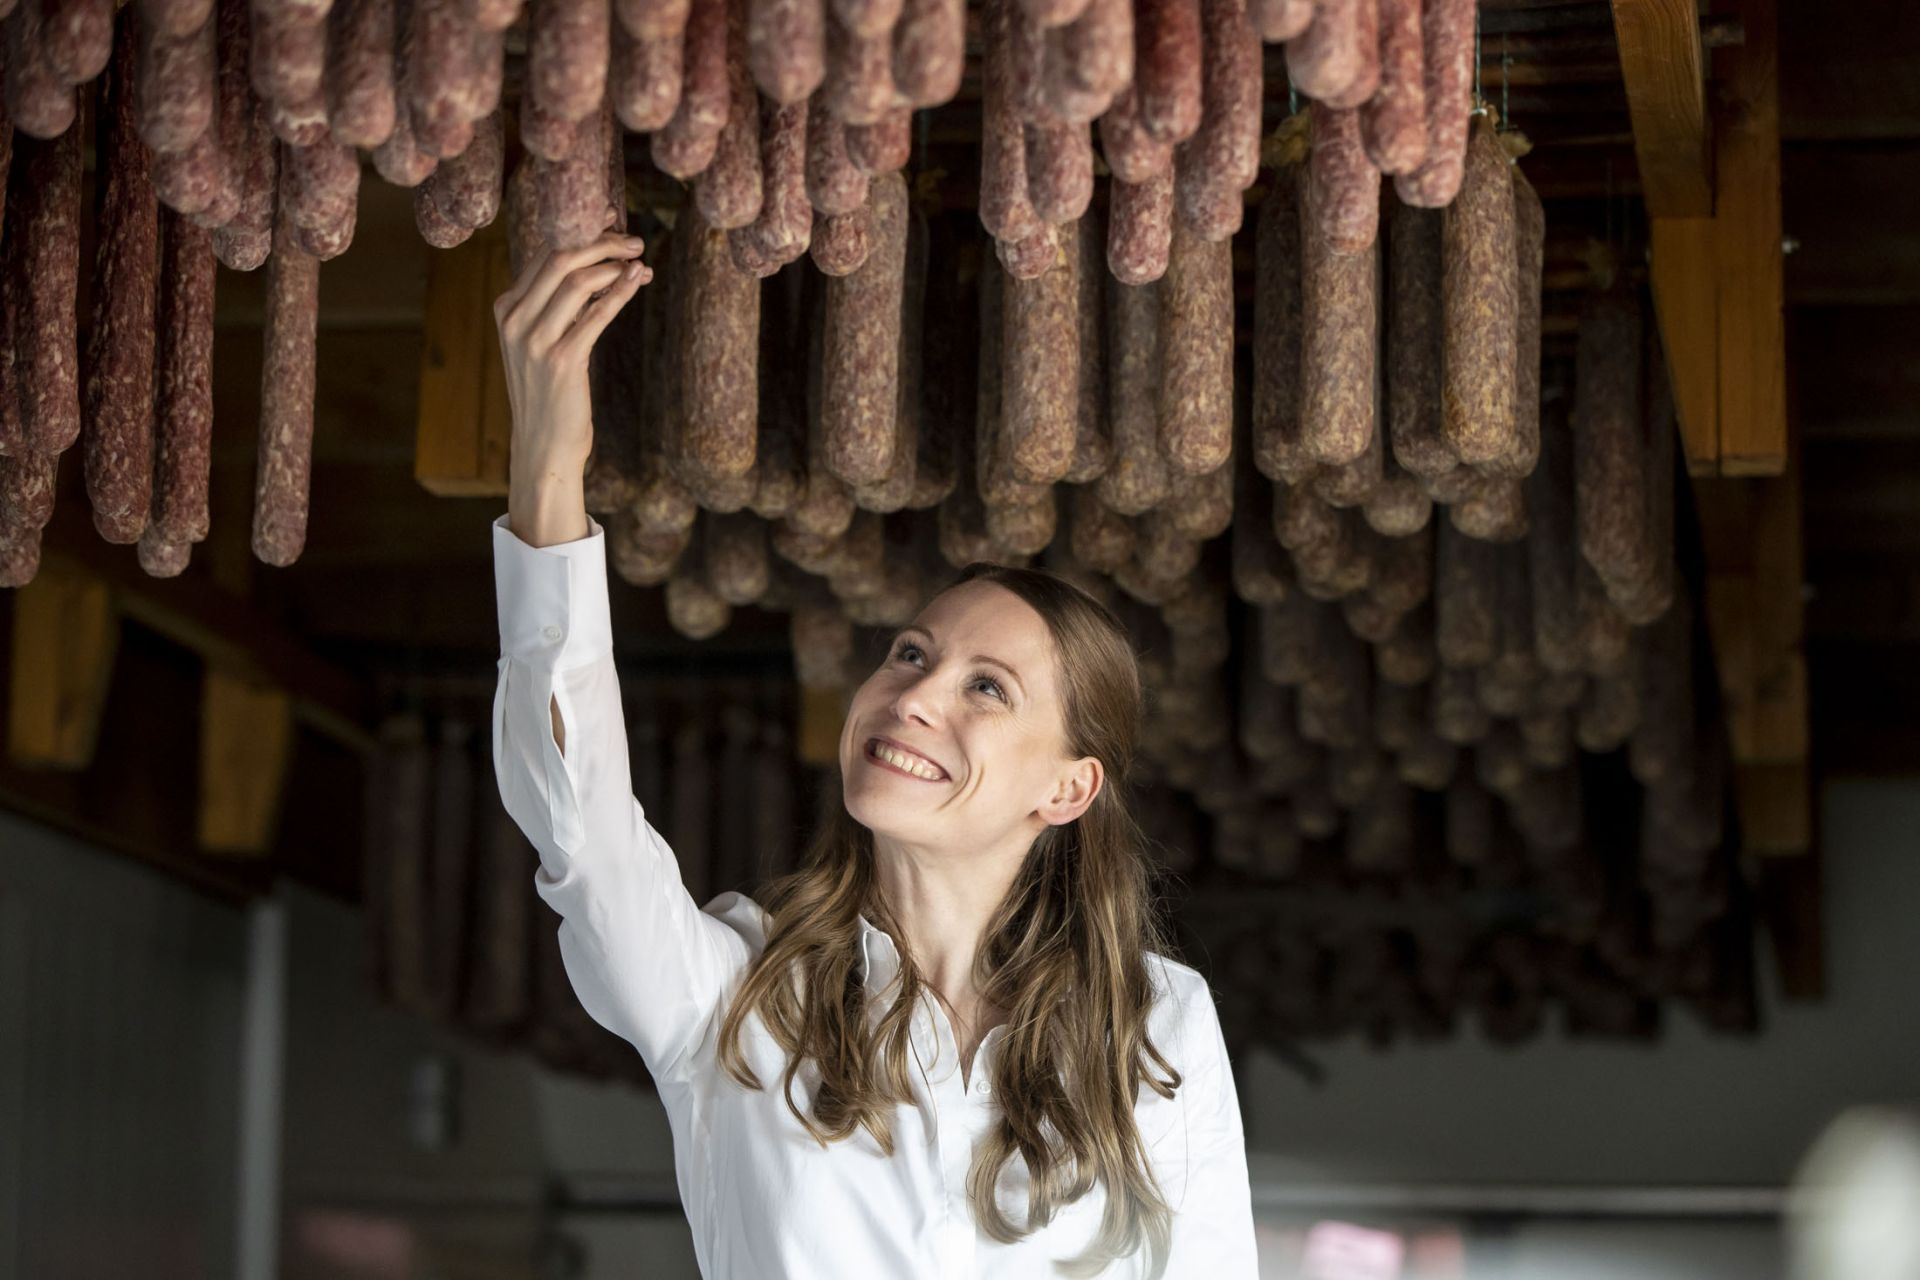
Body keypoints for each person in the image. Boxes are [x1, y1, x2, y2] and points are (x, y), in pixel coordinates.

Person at [488, 227, 1260, 1279]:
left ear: (1068, 787)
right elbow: (582, 827)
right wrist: (546, 463)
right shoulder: (738, 991)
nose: (912, 696)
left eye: (986, 687)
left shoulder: (1160, 1021)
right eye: (909, 654)